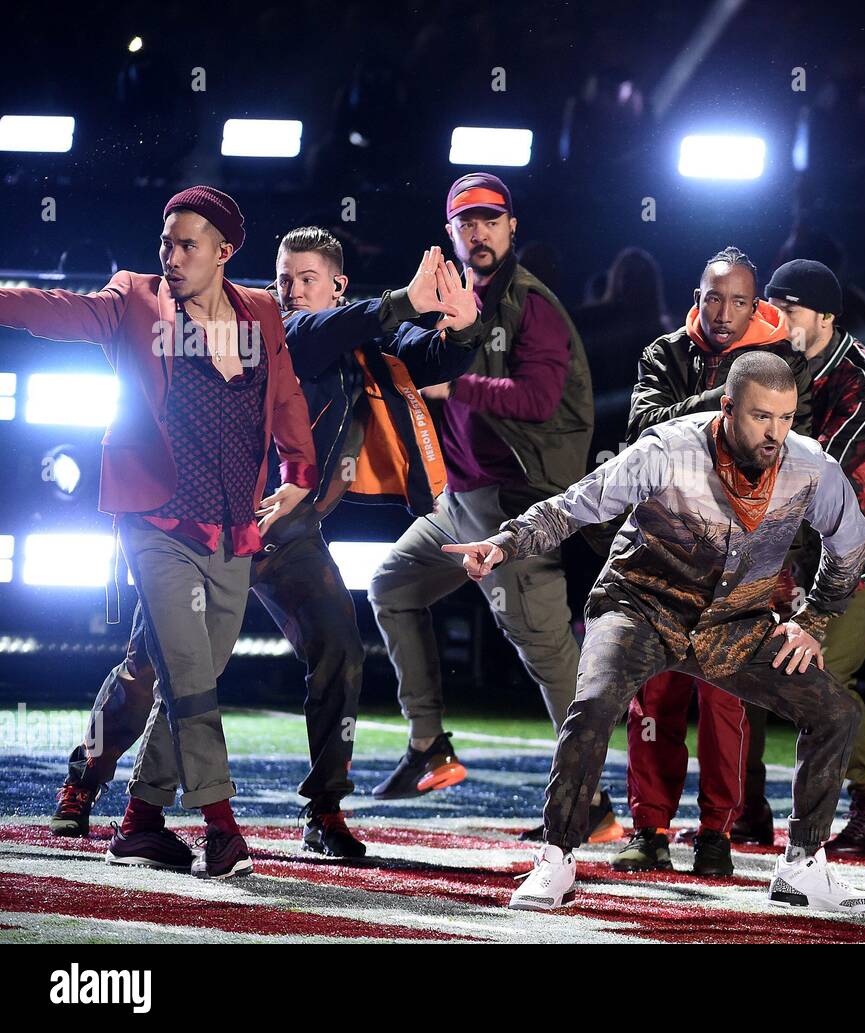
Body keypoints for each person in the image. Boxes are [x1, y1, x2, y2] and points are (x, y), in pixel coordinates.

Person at [49, 229, 484, 859]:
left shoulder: (363, 334)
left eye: (306, 278)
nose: (289, 290)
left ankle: (326, 809)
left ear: (338, 285)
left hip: (291, 536)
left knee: (341, 648)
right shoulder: (264, 328)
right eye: (282, 278)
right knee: (150, 667)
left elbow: (433, 358)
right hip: (211, 529)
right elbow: (315, 337)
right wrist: (401, 301)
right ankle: (84, 780)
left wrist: (463, 328)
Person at [445, 352, 865, 915]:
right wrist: (504, 544)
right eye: (760, 418)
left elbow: (849, 543)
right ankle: (556, 858)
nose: (776, 433)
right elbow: (576, 507)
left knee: (835, 712)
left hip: (734, 623)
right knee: (595, 702)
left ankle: (801, 867)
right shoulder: (668, 449)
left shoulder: (811, 467)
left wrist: (815, 619)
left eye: (787, 418)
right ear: (726, 409)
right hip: (641, 607)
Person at [1, 186, 316, 879]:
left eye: (187, 245)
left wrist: (299, 470)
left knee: (159, 670)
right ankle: (220, 828)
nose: (170, 257)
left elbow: (286, 393)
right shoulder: (136, 300)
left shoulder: (260, 310)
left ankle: (135, 813)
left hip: (235, 529)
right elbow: (58, 310)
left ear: (225, 252)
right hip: (155, 520)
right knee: (189, 674)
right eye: (165, 243)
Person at [366, 173, 619, 843]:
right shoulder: (453, 297)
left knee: (549, 655)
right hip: (460, 501)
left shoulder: (532, 305)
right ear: (450, 233)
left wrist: (456, 381)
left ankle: (589, 805)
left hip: (517, 507)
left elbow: (537, 400)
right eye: (465, 222)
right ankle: (429, 745)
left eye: (490, 219)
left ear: (512, 229)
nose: (477, 231)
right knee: (391, 584)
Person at [610, 245, 812, 878]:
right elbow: (647, 426)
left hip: (747, 556)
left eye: (740, 301)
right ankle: (650, 829)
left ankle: (717, 834)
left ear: (758, 306)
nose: (724, 312)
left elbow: (792, 457)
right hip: (668, 551)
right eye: (713, 297)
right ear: (695, 297)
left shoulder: (781, 365)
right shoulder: (664, 354)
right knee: (655, 699)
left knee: (725, 703)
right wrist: (729, 399)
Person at [733, 258, 865, 858]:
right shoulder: (786, 372)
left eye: (788, 311)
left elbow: (815, 464)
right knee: (745, 663)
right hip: (809, 550)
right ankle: (747, 810)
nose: (776, 321)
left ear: (825, 317)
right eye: (774, 309)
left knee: (822, 671)